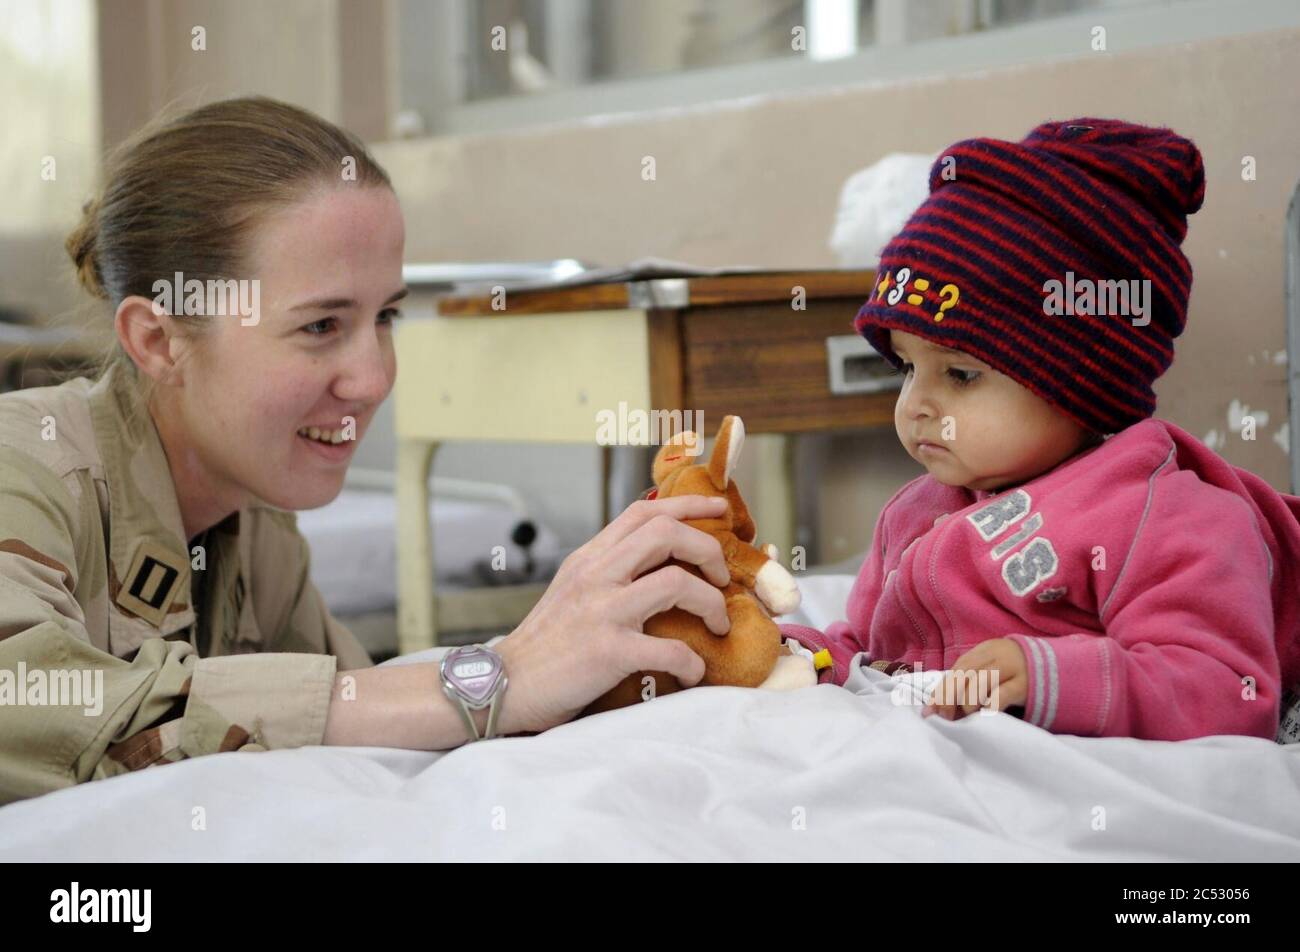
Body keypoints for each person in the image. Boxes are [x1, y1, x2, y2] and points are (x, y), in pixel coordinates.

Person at [0, 96, 737, 805]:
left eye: (385, 317)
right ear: (160, 342)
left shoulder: (258, 540)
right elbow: (33, 713)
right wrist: (494, 678)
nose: (374, 378)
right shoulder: (24, 469)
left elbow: (366, 732)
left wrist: (598, 660)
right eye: (321, 326)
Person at [781, 118, 1300, 741]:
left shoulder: (1165, 516)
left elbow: (1225, 690)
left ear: (1080, 380)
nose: (916, 403)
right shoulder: (914, 514)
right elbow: (868, 647)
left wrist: (1050, 677)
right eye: (907, 368)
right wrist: (802, 656)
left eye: (961, 375)